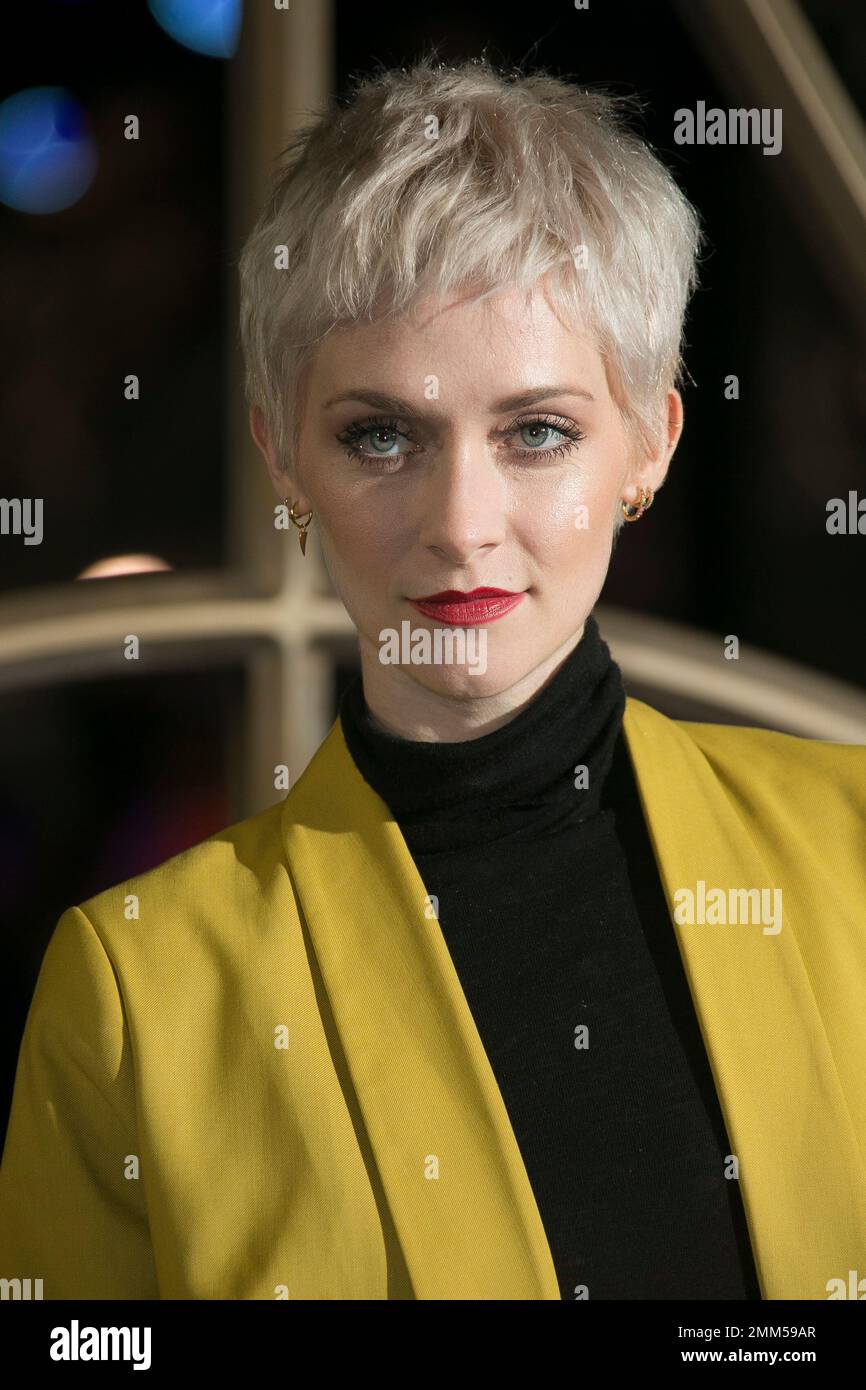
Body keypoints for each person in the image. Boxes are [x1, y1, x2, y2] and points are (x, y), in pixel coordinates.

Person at [2, 56, 866, 1302]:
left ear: (649, 445)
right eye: (382, 435)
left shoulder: (848, 852)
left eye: (535, 432)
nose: (462, 524)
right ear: (280, 456)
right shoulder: (139, 995)